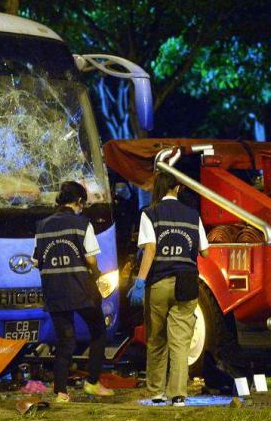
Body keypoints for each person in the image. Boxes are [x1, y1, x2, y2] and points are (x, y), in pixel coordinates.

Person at [127, 171, 209, 406]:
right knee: (181, 341)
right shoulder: (193, 215)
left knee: (157, 338)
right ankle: (178, 395)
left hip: (159, 282)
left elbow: (150, 249)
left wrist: (140, 281)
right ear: (178, 189)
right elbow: (205, 251)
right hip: (187, 283)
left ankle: (156, 391)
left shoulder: (150, 214)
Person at [33, 181, 114, 402]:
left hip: (54, 290)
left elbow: (36, 260)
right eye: (83, 204)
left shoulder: (42, 226)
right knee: (98, 331)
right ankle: (93, 383)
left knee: (64, 340)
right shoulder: (82, 224)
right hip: (81, 289)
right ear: (79, 202)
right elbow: (90, 258)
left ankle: (61, 392)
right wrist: (96, 272)